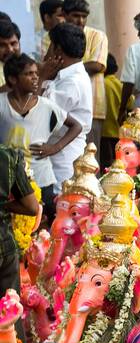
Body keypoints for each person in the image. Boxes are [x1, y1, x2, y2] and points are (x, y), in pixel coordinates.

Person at [1, 54, 72, 202]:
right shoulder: (2, 104)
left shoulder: (45, 105)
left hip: (41, 177)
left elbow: (76, 126)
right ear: (13, 79)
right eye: (28, 74)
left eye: (36, 73)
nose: (35, 77)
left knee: (42, 219)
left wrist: (55, 147)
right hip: (9, 180)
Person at [38, 21, 92, 186]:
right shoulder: (64, 76)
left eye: (50, 46)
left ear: (58, 49)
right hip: (59, 155)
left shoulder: (72, 82)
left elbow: (37, 114)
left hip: (63, 159)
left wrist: (42, 78)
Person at [59, 0, 108, 149]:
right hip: (61, 106)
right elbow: (50, 65)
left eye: (84, 16)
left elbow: (97, 65)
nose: (80, 20)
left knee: (91, 158)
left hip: (92, 106)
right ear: (64, 14)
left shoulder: (97, 36)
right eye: (75, 15)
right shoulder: (54, 36)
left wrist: (66, 66)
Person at [0, 143, 38, 294]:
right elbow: (32, 207)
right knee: (10, 309)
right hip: (5, 245)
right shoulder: (8, 155)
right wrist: (3, 206)